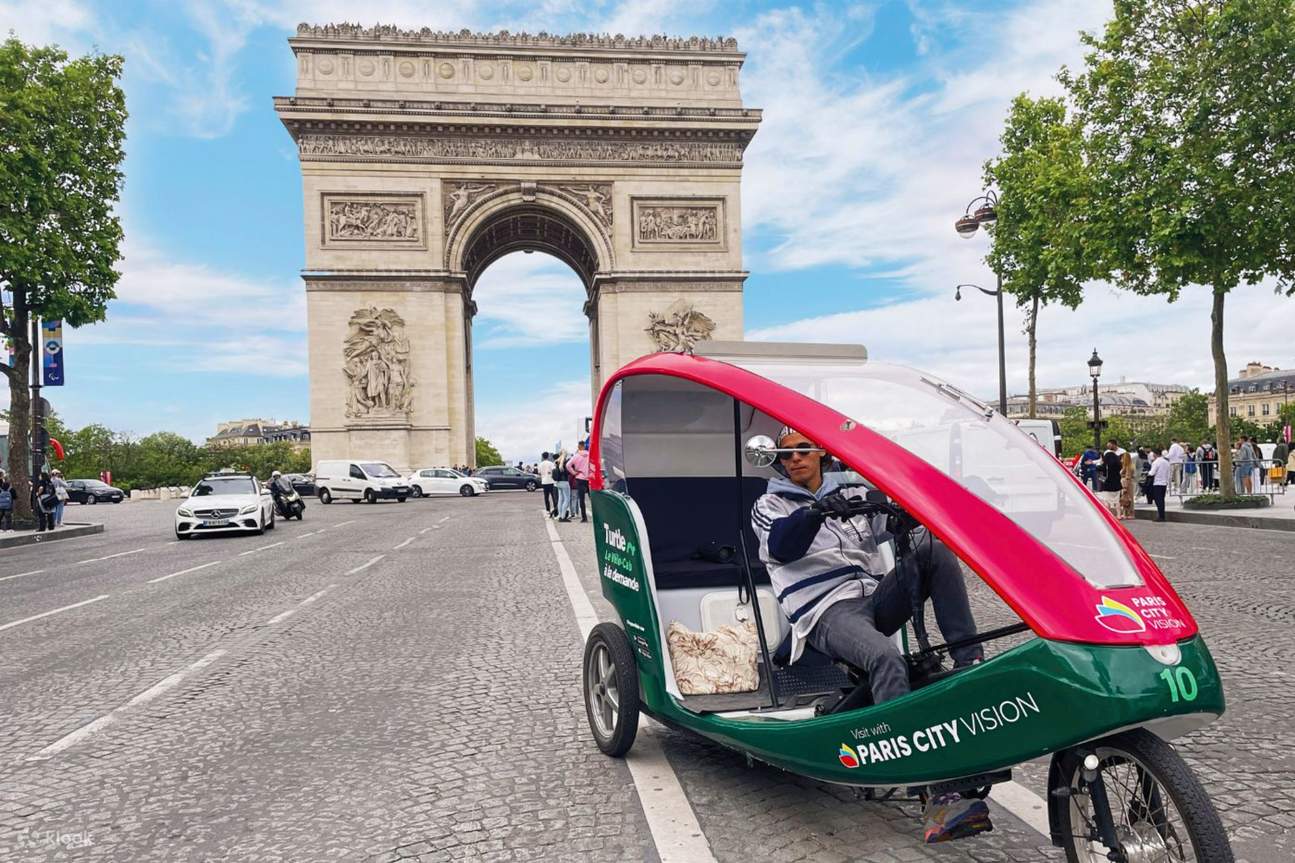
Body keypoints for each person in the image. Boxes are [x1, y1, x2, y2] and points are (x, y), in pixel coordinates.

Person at [750, 427, 988, 841]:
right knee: (886, 659)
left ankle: (970, 661)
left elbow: (896, 524)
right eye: (785, 455)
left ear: (821, 450)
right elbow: (784, 546)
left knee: (933, 550)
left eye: (802, 450)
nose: (793, 459)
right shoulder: (770, 504)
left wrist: (911, 505)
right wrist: (817, 511)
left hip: (874, 598)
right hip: (826, 612)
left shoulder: (851, 491)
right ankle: (932, 793)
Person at [568, 440, 591, 523]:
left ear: (578, 447)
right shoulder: (590, 454)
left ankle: (584, 518)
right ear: (584, 446)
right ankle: (597, 516)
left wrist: (574, 473)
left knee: (581, 499)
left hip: (580, 478)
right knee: (592, 498)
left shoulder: (576, 456)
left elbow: (568, 465)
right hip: (589, 479)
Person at [1148, 448, 1171, 521]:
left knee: (1158, 500)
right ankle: (1162, 515)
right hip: (1164, 483)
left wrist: (1148, 474)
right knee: (1162, 500)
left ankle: (1161, 516)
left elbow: (1152, 473)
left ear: (1155, 454)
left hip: (1157, 483)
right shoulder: (1166, 462)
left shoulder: (1156, 462)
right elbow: (1169, 474)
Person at [554, 450, 572, 522]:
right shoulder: (565, 463)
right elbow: (568, 472)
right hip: (564, 482)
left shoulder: (556, 462)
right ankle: (563, 517)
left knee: (560, 499)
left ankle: (560, 515)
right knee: (567, 499)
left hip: (558, 483)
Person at [1118, 450, 1136, 520]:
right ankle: (1126, 513)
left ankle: (1130, 513)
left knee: (1128, 498)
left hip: (1126, 483)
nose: (1121, 460)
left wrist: (1125, 487)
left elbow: (1128, 477)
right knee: (1126, 498)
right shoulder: (1128, 466)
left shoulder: (1128, 467)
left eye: (1122, 458)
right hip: (1126, 483)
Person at [538, 452, 556, 517]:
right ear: (548, 456)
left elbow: (539, 473)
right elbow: (554, 471)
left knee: (546, 497)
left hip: (544, 482)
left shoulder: (540, 464)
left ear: (543, 457)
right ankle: (555, 508)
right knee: (553, 496)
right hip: (551, 481)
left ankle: (548, 510)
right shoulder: (551, 463)